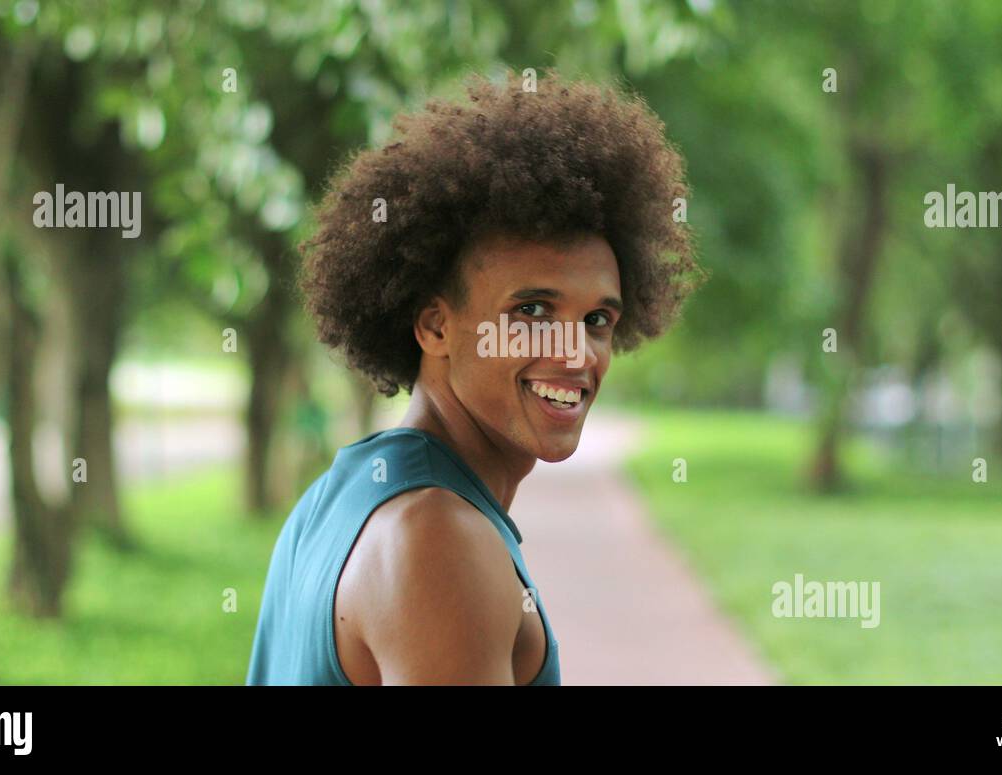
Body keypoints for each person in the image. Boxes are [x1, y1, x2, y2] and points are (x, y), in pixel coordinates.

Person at [246, 70, 702, 685]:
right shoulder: (438, 540)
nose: (576, 354)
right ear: (435, 326)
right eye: (531, 311)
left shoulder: (336, 498)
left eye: (596, 319)